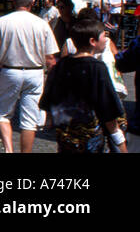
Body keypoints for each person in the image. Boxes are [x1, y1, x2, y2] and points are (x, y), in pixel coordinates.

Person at [0, 0, 59, 153]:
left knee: (1, 114)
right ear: (32, 3)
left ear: (13, 1)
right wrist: (53, 82)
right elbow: (51, 59)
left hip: (11, 71)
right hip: (36, 73)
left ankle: (9, 150)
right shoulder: (42, 24)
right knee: (29, 121)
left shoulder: (2, 22)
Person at [39, 17, 129, 153]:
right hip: (89, 136)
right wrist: (117, 136)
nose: (106, 39)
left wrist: (50, 120)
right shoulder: (97, 68)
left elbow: (48, 97)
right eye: (104, 36)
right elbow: (107, 106)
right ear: (93, 41)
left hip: (65, 135)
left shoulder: (61, 65)